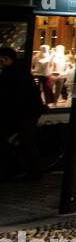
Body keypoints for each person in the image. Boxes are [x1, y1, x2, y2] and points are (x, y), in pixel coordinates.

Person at [0, 47, 46, 179]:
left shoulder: (17, 73)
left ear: (7, 58)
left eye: (2, 58)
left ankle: (33, 172)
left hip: (26, 112)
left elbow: (15, 96)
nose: (1, 61)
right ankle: (14, 168)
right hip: (21, 111)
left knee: (26, 140)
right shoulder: (12, 71)